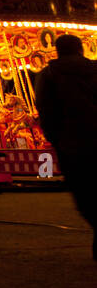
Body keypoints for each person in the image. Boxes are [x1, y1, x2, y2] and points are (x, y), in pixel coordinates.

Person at [35, 34, 97, 259]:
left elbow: (44, 109)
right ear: (81, 49)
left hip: (71, 142)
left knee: (83, 192)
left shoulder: (48, 75)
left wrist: (55, 138)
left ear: (56, 50)